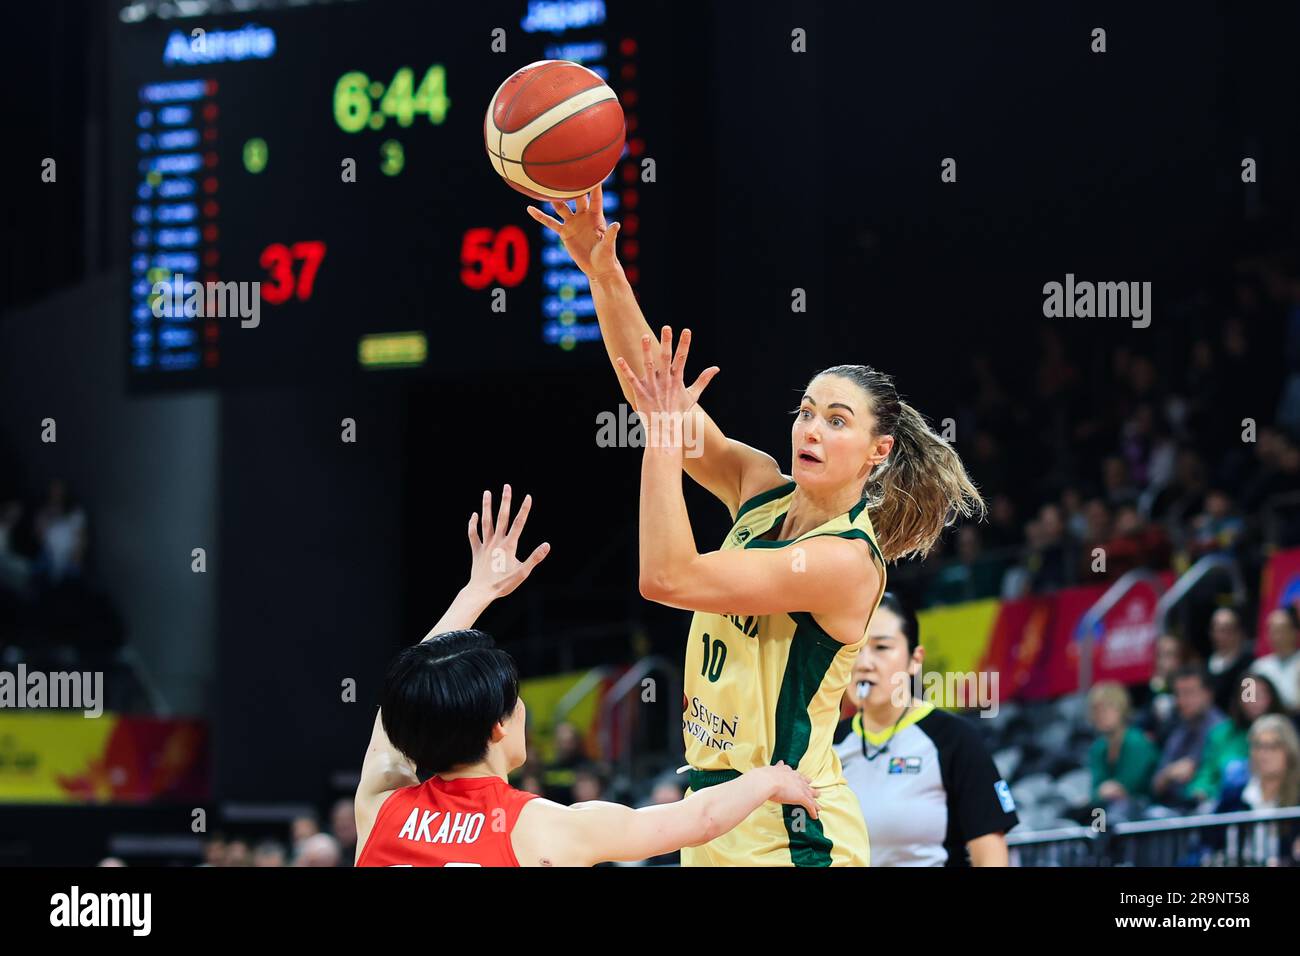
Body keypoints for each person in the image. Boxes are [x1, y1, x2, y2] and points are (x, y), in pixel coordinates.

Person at [532, 188, 984, 867]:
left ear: (877, 451)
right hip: (711, 813)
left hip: (790, 826)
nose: (810, 428)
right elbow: (660, 398)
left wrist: (660, 432)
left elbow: (666, 577)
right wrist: (603, 272)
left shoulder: (846, 562)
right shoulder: (760, 487)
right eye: (806, 411)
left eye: (837, 420)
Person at [354, 486, 820, 867]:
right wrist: (770, 779)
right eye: (516, 704)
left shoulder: (379, 806)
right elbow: (696, 821)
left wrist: (476, 593)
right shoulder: (545, 827)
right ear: (497, 726)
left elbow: (402, 699)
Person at [833, 593, 1018, 865]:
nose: (864, 663)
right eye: (853, 649)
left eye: (881, 648)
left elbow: (991, 856)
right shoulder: (826, 744)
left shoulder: (956, 739)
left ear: (915, 660)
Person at [1187, 671, 1287, 807]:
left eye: (1260, 695)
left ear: (1271, 697)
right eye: (1248, 695)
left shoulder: (1287, 731)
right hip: (1226, 805)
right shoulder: (1220, 734)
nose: (1253, 702)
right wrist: (1201, 791)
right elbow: (1207, 773)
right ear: (1238, 700)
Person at [1149, 666, 1224, 810]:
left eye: (1189, 693)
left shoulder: (1222, 729)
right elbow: (1155, 785)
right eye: (1178, 694)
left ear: (1208, 694)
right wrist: (1168, 773)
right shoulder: (1178, 730)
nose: (1182, 701)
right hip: (1172, 808)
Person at [1087, 682, 1159, 820]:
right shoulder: (1098, 748)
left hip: (1144, 810)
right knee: (1094, 813)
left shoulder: (1137, 742)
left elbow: (1128, 787)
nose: (1101, 715)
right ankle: (1097, 838)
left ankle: (1104, 837)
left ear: (1121, 710)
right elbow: (1096, 789)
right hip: (1108, 808)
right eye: (1096, 710)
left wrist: (1105, 791)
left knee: (1112, 812)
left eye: (1107, 709)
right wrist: (1101, 792)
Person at [1206, 607, 1255, 715]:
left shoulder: (1250, 665)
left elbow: (1249, 700)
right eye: (1217, 629)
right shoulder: (1206, 665)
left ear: (1238, 632)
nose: (1221, 636)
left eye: (1226, 630)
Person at [1254, 606, 1300, 712]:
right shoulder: (1258, 667)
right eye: (1273, 631)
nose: (1277, 636)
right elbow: (1247, 700)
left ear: (1295, 632)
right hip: (1265, 722)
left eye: (1282, 630)